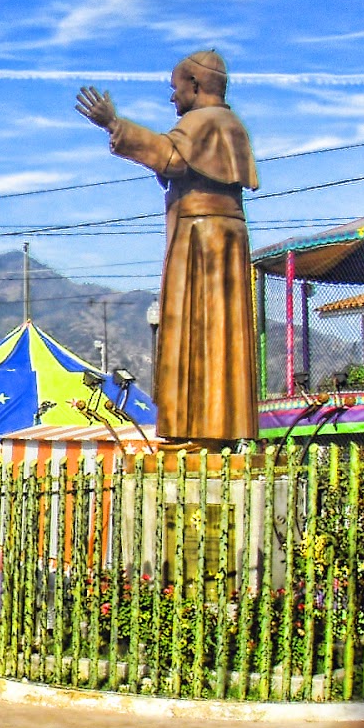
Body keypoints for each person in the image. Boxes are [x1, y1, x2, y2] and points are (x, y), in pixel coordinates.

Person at [76, 50, 260, 447]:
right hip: (199, 231)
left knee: (205, 329)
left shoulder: (209, 121)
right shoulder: (218, 123)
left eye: (175, 87)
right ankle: (191, 426)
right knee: (192, 329)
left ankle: (209, 430)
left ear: (195, 84)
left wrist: (114, 124)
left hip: (205, 236)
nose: (172, 96)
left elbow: (172, 158)